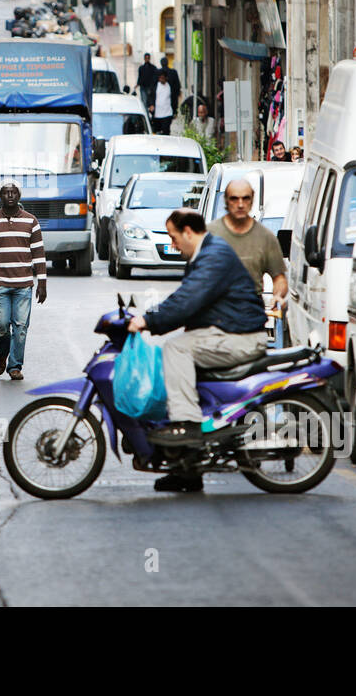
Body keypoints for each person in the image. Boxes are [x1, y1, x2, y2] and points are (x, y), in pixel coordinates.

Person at [127, 209, 268, 491]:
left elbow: (188, 300)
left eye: (174, 237)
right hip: (226, 330)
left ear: (189, 232)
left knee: (176, 349)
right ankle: (187, 471)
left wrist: (148, 320)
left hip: (240, 337)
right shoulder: (204, 254)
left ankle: (187, 426)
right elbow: (189, 301)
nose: (172, 244)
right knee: (182, 360)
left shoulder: (214, 256)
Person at [0, 182, 47, 380]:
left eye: (13, 192)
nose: (10, 195)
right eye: (5, 192)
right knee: (1, 324)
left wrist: (42, 283)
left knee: (21, 327)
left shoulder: (31, 222)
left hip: (24, 285)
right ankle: (2, 352)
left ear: (19, 196)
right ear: (0, 196)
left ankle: (15, 366)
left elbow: (39, 254)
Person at [205, 178, 286, 310]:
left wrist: (277, 296)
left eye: (245, 198)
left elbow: (279, 278)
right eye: (234, 199)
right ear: (226, 200)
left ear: (252, 199)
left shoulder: (265, 237)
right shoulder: (210, 234)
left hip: (251, 310)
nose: (240, 204)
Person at [148, 69, 176, 134]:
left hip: (167, 113)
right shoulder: (155, 86)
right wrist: (151, 105)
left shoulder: (170, 86)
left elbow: (174, 99)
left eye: (163, 78)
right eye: (160, 78)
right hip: (157, 114)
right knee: (157, 132)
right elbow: (151, 96)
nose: (161, 79)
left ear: (166, 78)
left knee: (166, 131)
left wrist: (174, 111)